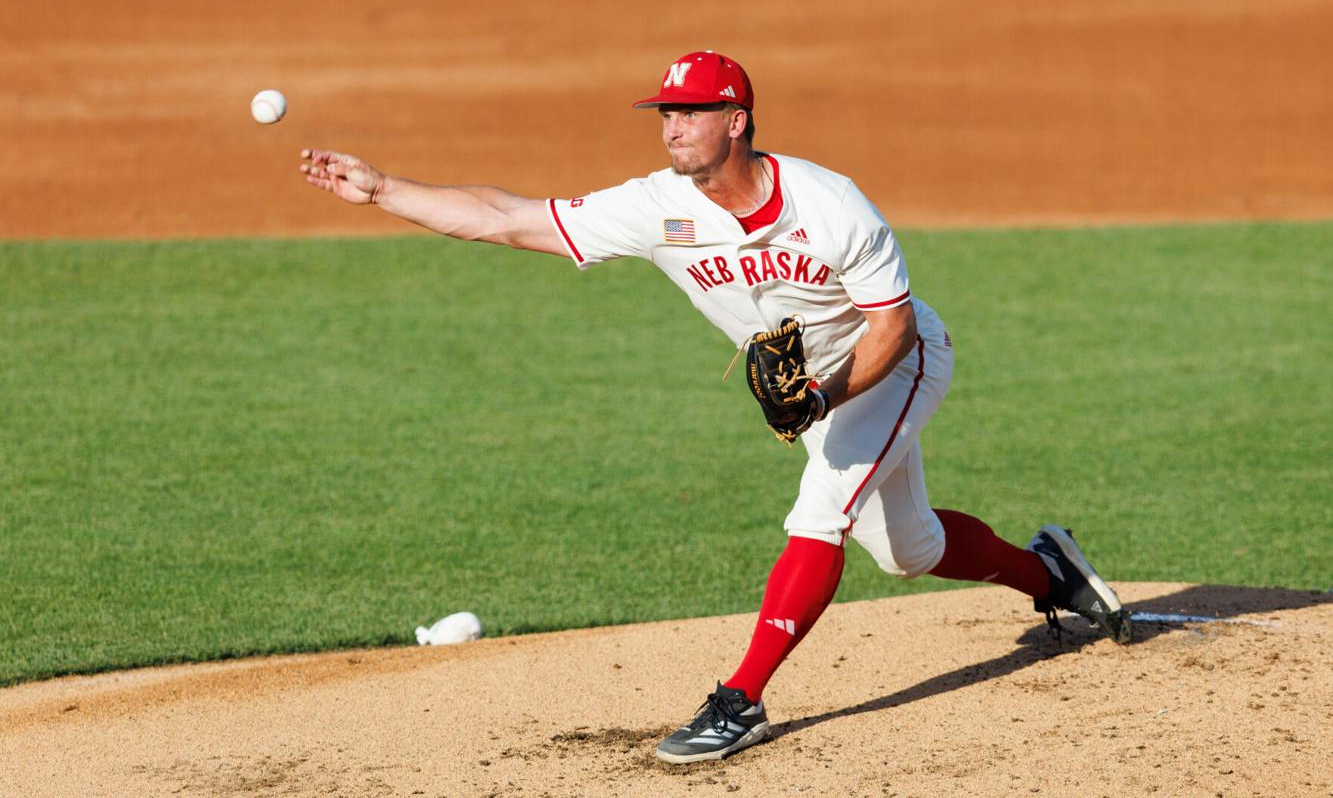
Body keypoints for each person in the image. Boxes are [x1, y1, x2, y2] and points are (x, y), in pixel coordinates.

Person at [299, 50, 1132, 765]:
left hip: (894, 365)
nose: (670, 127)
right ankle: (1049, 570)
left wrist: (824, 397)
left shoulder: (829, 204)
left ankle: (741, 699)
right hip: (814, 394)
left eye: (689, 112)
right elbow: (509, 218)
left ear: (736, 119)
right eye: (664, 112)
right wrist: (381, 190)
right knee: (907, 548)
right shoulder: (656, 205)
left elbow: (893, 323)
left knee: (822, 509)